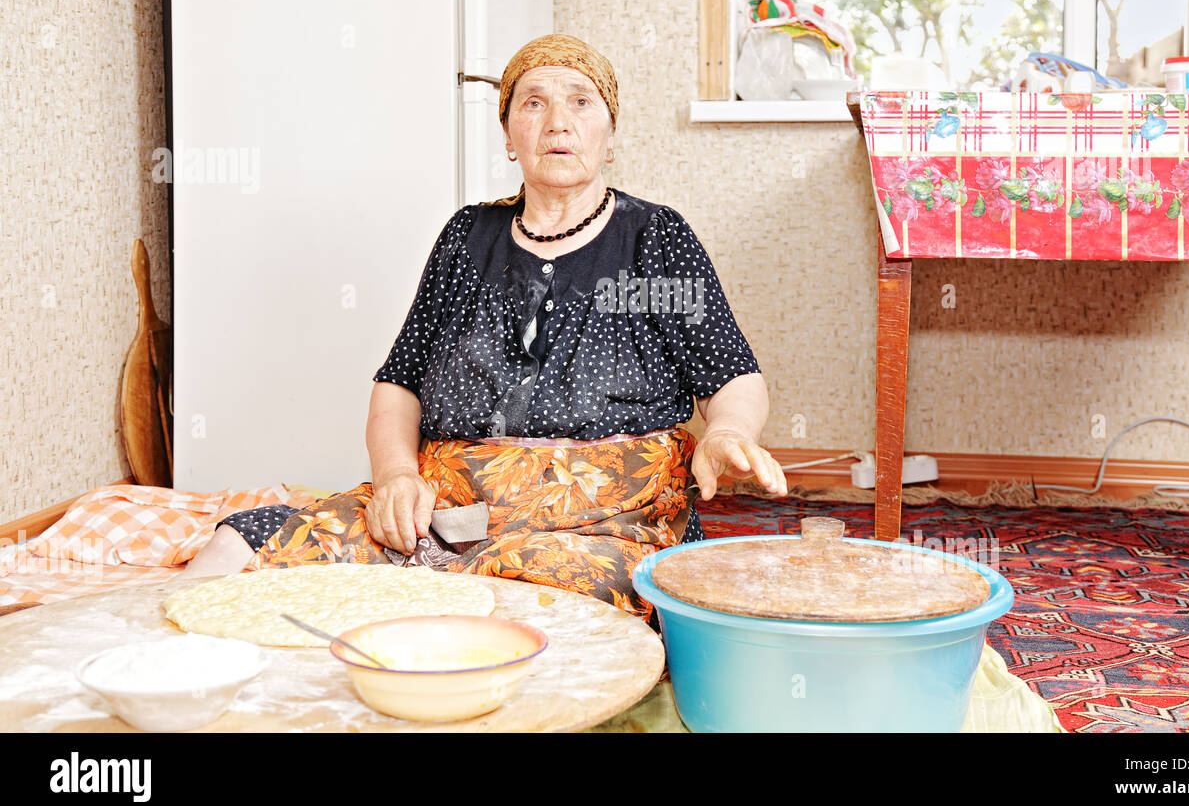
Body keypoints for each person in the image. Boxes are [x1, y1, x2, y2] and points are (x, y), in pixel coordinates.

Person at [180, 33, 787, 621]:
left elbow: (729, 373)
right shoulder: (467, 238)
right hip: (450, 511)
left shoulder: (653, 238)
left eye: (580, 101)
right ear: (508, 137)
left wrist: (727, 429)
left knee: (555, 600)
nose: (557, 122)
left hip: (604, 522)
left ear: (608, 135)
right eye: (533, 102)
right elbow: (400, 384)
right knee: (246, 547)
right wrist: (395, 476)